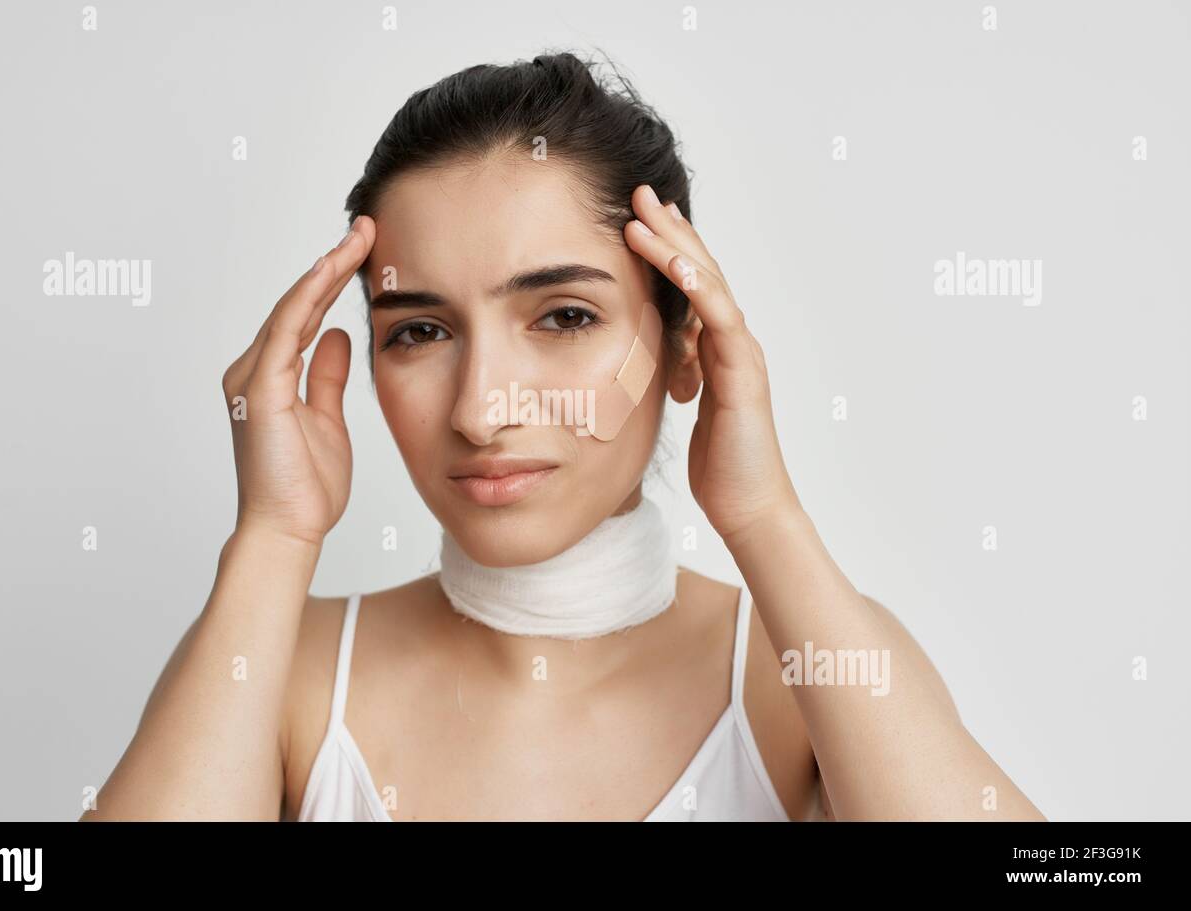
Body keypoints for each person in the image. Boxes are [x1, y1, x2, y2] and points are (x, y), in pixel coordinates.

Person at [83, 51, 1045, 822]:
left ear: (683, 347)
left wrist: (765, 515)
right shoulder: (281, 670)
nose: (480, 410)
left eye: (563, 317)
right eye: (418, 331)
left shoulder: (806, 673)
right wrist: (273, 539)